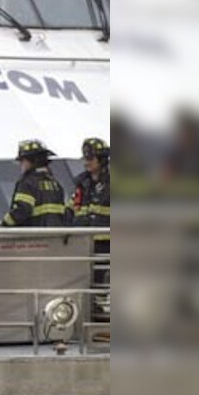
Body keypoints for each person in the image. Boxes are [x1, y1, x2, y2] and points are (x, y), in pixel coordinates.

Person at [70, 137, 111, 329]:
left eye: (91, 158)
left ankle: (102, 318)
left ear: (102, 159)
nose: (86, 162)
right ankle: (91, 318)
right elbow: (73, 207)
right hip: (84, 242)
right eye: (85, 158)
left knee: (103, 281)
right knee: (87, 283)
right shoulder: (83, 183)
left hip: (107, 242)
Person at [2, 140, 66, 228]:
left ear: (31, 161)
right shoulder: (55, 184)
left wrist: (4, 224)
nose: (21, 165)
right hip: (56, 238)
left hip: (35, 238)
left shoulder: (27, 183)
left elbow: (22, 210)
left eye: (22, 161)